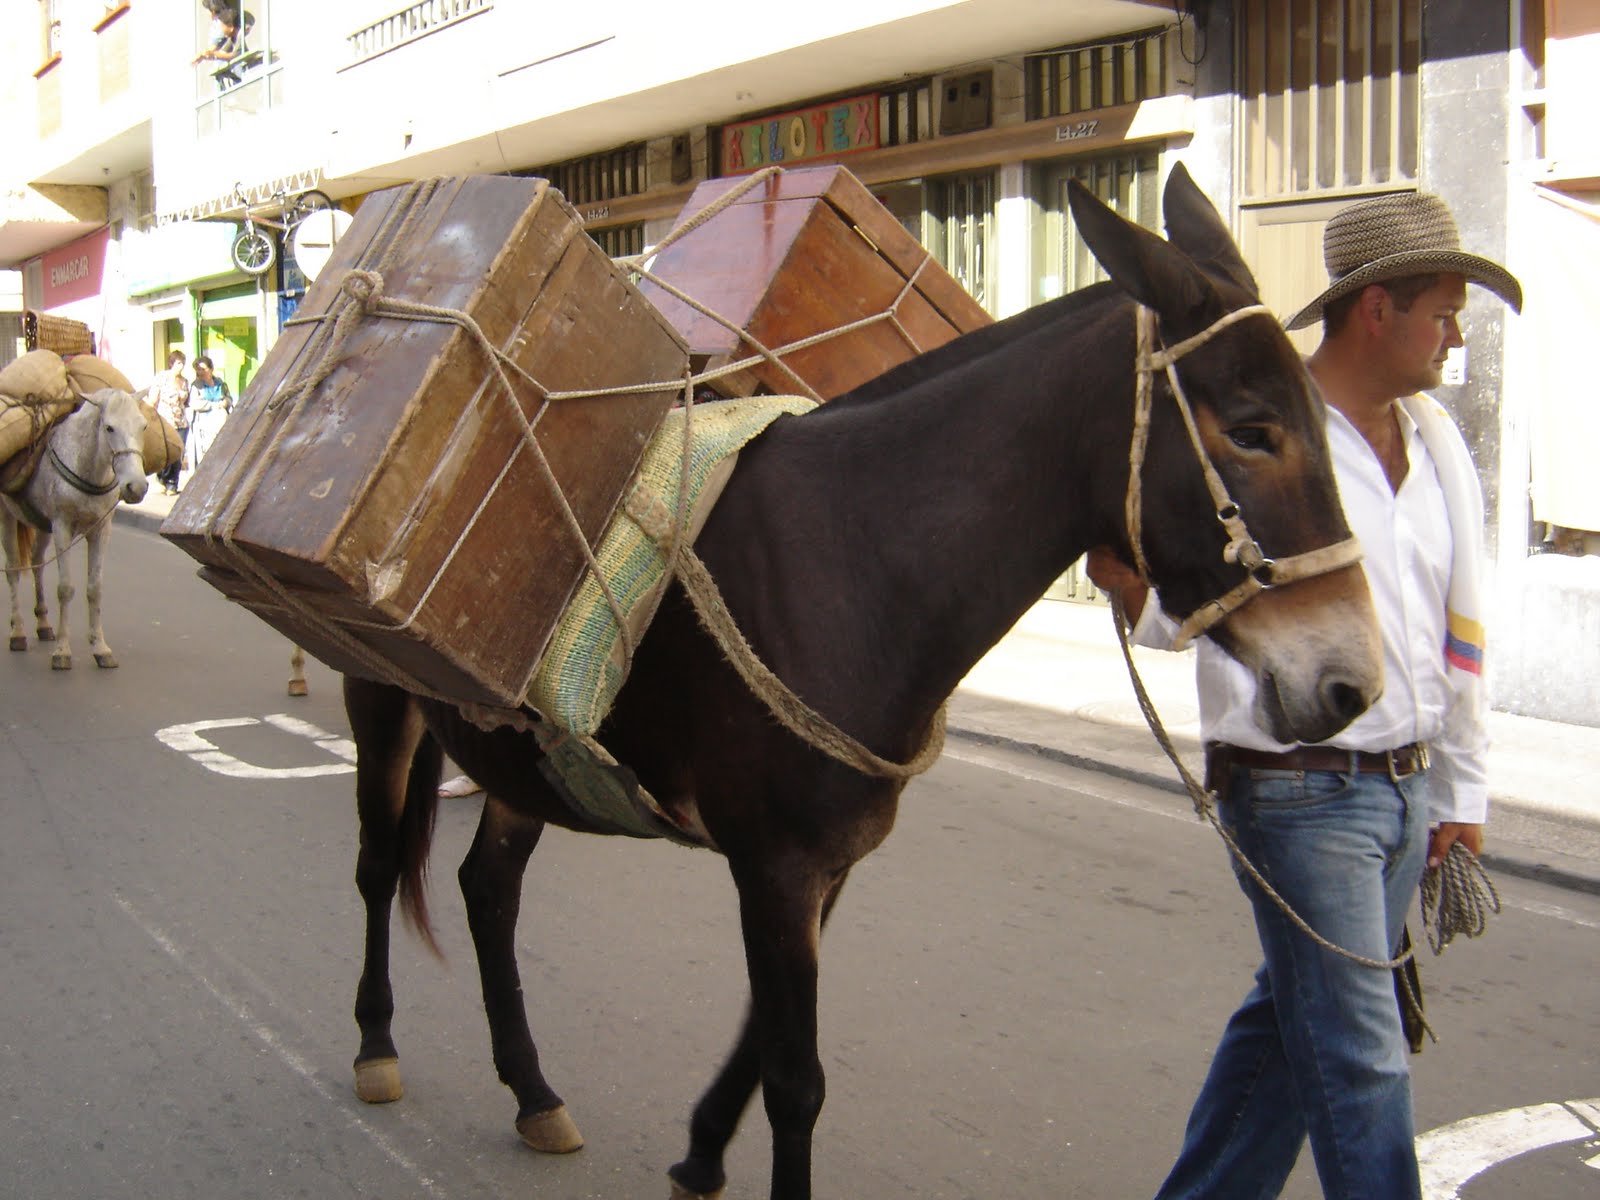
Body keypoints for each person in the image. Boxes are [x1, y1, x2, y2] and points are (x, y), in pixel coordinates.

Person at [1086, 190, 1521, 1200]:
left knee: (1292, 1037)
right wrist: (1139, 595)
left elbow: (1460, 634)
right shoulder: (1269, 425)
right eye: (1443, 312)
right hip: (1297, 789)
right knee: (1361, 1058)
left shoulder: (1437, 442)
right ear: (1377, 310)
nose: (1454, 337)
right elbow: (1198, 595)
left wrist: (1459, 795)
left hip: (1405, 791)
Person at [151, 349, 190, 496]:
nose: (181, 366)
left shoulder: (184, 381)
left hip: (181, 422)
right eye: (179, 363)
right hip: (165, 420)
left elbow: (186, 401)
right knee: (165, 451)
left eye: (183, 363)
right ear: (172, 363)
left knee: (178, 452)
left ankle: (173, 482)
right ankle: (162, 478)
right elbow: (154, 398)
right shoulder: (162, 378)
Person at [187, 355, 232, 474]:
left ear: (211, 369)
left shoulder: (220, 383)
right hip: (205, 424)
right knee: (207, 451)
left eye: (203, 369)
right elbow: (194, 403)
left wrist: (226, 402)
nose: (200, 372)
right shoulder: (196, 385)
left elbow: (228, 397)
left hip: (221, 422)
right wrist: (213, 405)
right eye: (198, 369)